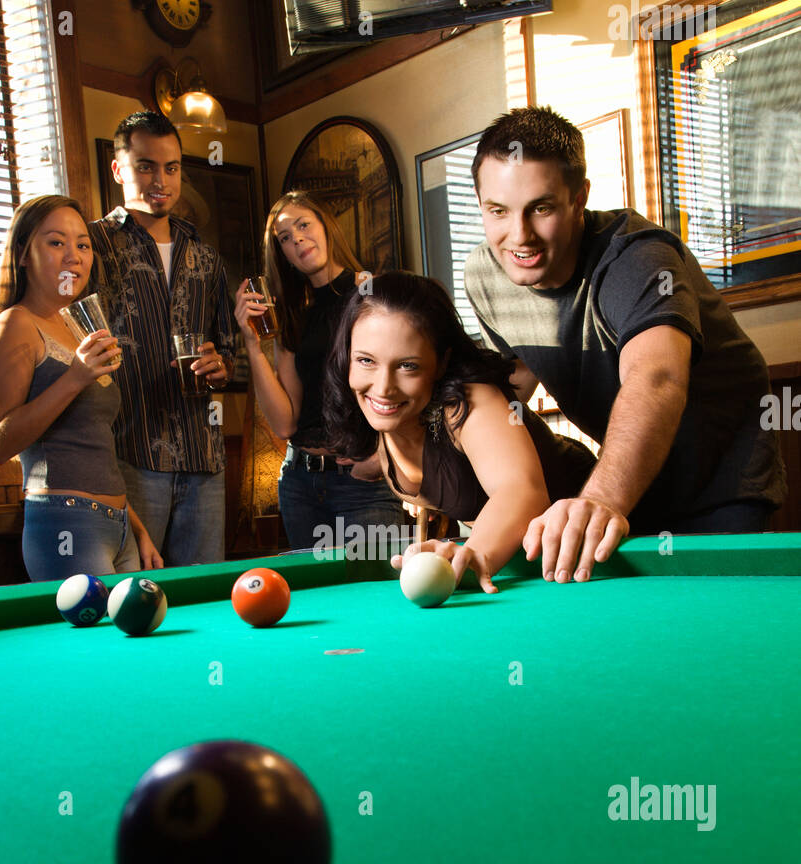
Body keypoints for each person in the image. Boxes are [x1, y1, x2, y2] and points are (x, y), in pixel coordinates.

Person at [463, 106, 786, 584]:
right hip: (635, 482)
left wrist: (601, 499)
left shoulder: (638, 258)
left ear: (579, 199)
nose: (519, 236)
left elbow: (656, 376)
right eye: (498, 211)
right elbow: (515, 384)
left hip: (721, 480)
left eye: (542, 208)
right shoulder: (485, 275)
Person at [323, 271, 595, 592]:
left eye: (407, 365)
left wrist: (476, 551)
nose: (383, 388)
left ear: (440, 362)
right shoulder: (378, 425)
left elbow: (521, 491)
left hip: (602, 529)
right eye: (366, 360)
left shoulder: (467, 399)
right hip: (536, 557)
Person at [0, 195, 161, 581]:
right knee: (99, 643)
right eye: (56, 242)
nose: (73, 256)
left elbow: (95, 446)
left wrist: (138, 529)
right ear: (24, 254)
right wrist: (76, 377)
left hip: (119, 525)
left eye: (82, 244)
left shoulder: (80, 325)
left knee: (139, 641)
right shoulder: (16, 324)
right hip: (65, 523)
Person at [90, 111, 234, 567]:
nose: (161, 180)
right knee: (137, 599)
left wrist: (221, 366)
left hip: (204, 458)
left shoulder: (206, 256)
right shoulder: (91, 246)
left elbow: (229, 349)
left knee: (204, 602)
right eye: (145, 166)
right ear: (118, 170)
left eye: (171, 167)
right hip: (129, 455)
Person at [233, 190, 410, 552]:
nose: (296, 239)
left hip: (363, 484)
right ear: (281, 252)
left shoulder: (368, 290)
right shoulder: (293, 313)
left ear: (325, 227)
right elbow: (285, 423)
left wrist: (386, 454)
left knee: (376, 599)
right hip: (300, 484)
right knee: (319, 600)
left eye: (303, 225)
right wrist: (252, 345)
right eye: (285, 237)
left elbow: (408, 378)